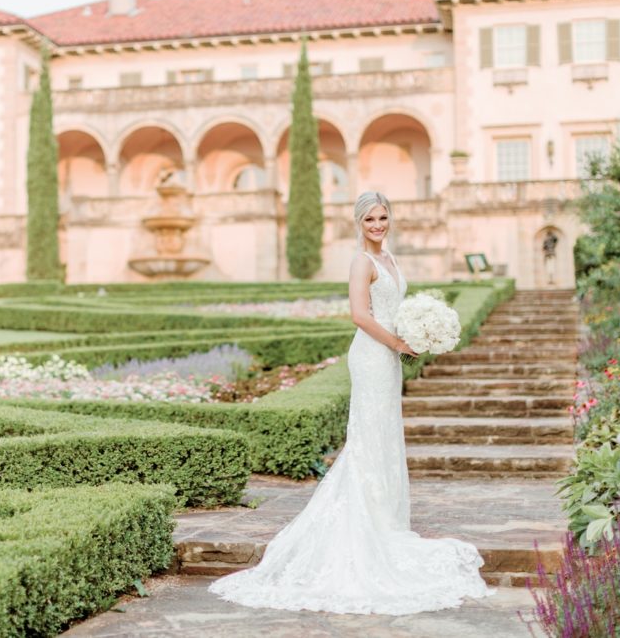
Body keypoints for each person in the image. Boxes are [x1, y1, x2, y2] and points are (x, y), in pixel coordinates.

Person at [209, 191, 491, 615]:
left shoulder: (391, 258)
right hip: (372, 357)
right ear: (358, 224)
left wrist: (419, 332)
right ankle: (365, 529)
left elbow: (395, 307)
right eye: (369, 220)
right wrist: (399, 341)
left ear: (389, 219)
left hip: (390, 358)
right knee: (368, 438)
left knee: (384, 439)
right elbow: (360, 315)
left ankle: (386, 524)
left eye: (382, 217)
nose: (377, 225)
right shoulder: (362, 262)